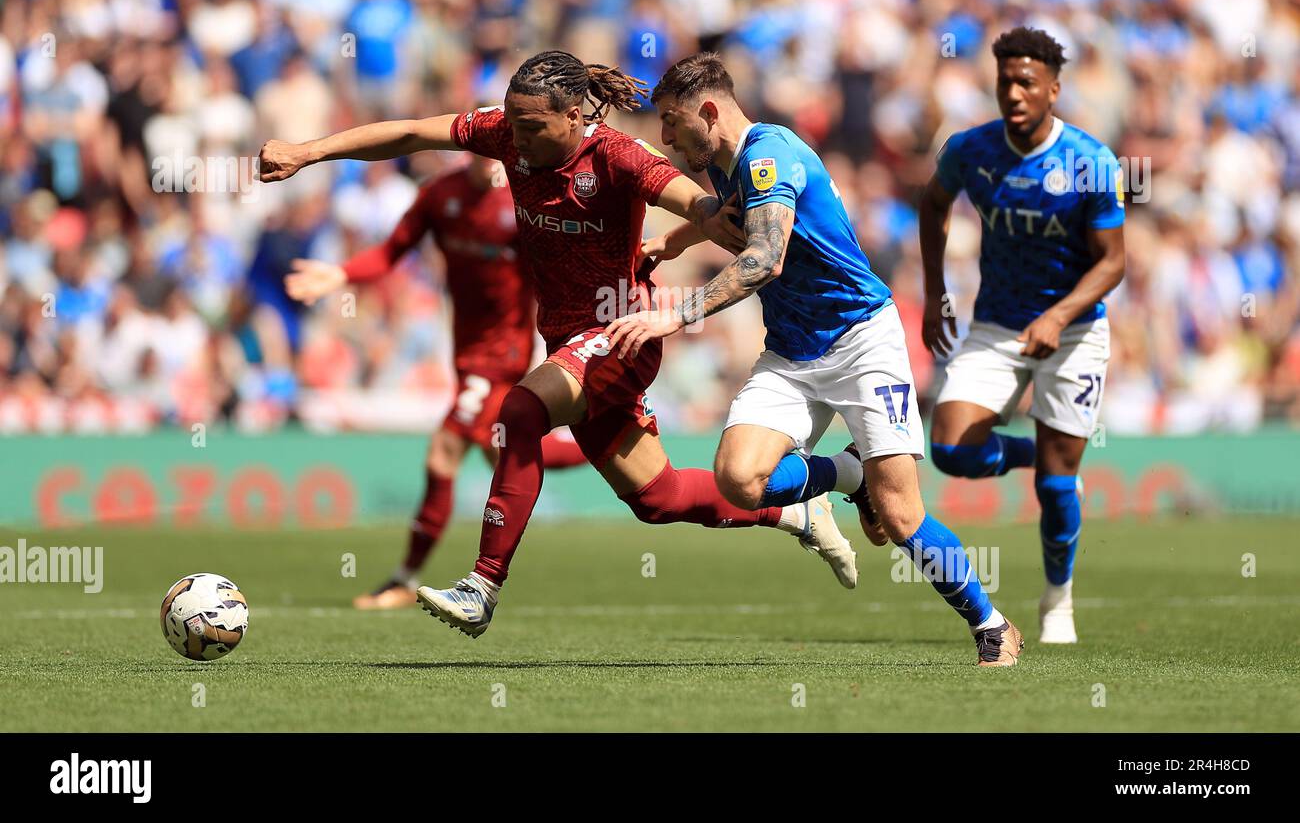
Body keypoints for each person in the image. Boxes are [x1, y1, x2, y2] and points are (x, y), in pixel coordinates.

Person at [258, 50, 858, 639]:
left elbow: (686, 196)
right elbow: (414, 133)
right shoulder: (505, 133)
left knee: (518, 412)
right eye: (512, 124)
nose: (516, 139)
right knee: (659, 497)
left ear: (574, 116)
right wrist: (309, 153)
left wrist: (710, 215)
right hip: (568, 340)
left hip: (622, 331)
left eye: (532, 126)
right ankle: (799, 512)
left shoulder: (619, 156)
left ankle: (482, 585)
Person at [607, 52, 1024, 667]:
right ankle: (849, 476)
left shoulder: (769, 156)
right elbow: (721, 219)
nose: (664, 138)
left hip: (862, 341)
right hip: (792, 351)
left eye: (671, 121)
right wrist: (663, 246)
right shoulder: (726, 167)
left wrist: (677, 312)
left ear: (710, 111)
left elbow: (763, 258)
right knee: (739, 481)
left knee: (902, 518)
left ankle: (990, 623)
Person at [283, 151, 587, 609]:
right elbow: (392, 251)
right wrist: (340, 274)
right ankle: (599, 444)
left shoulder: (522, 203)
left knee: (443, 453)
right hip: (464, 350)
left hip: (502, 354)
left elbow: (562, 266)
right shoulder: (441, 196)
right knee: (501, 452)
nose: (495, 161)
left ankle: (404, 579)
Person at [917, 27, 1126, 644]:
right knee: (950, 449)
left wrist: (1059, 317)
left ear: (1053, 90)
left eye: (1027, 82)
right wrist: (934, 294)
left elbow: (1113, 262)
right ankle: (1037, 454)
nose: (1014, 91)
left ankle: (1057, 599)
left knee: (1060, 489)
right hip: (998, 326)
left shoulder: (1091, 162)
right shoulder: (970, 150)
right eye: (1005, 80)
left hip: (1075, 331)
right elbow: (932, 204)